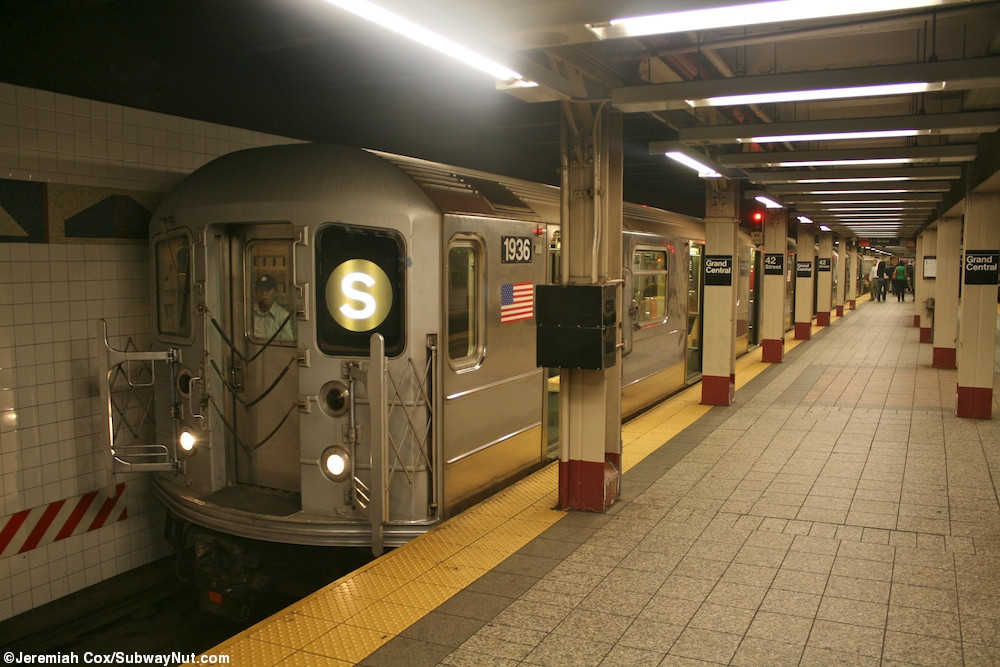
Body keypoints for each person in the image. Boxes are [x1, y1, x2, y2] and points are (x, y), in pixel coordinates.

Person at [253, 274, 294, 341]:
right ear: (256, 292)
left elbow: (287, 344)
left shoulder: (283, 316)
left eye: (267, 290)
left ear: (275, 293)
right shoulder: (249, 314)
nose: (264, 293)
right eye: (260, 290)